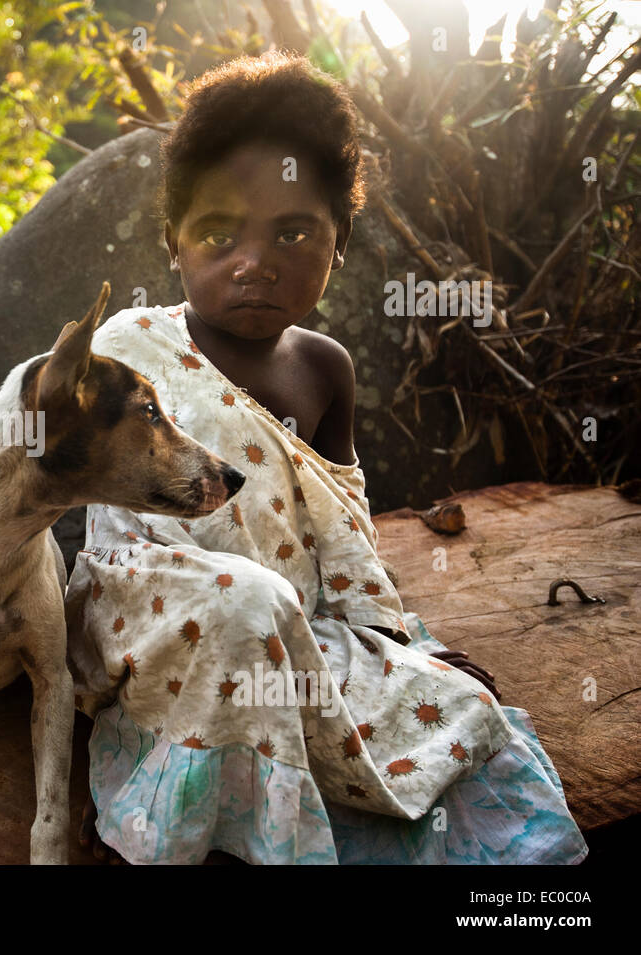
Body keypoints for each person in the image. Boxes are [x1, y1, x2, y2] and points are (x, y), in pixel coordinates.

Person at [61, 51, 587, 864]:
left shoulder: (323, 367)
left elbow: (342, 526)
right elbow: (114, 531)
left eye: (295, 231)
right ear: (174, 243)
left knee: (464, 709)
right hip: (168, 615)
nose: (254, 260)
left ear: (339, 244)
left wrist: (392, 640)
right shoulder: (129, 347)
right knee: (245, 603)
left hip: (295, 625)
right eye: (217, 233)